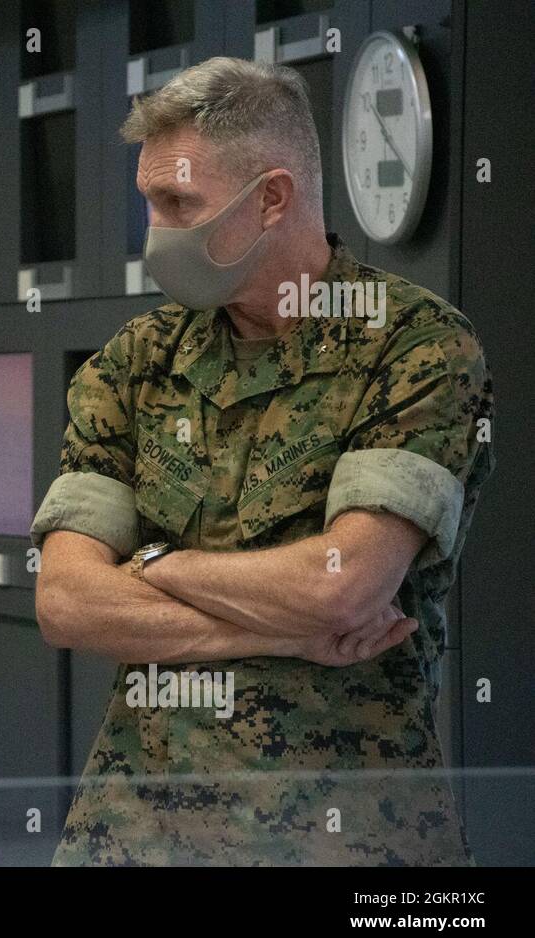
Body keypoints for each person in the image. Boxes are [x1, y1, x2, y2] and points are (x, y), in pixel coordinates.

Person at [32, 58, 494, 865]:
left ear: (272, 198)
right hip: (138, 833)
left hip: (345, 833)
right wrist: (289, 635)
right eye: (149, 202)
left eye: (179, 204)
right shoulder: (136, 361)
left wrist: (155, 564)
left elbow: (342, 587)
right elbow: (66, 602)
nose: (157, 232)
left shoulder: (416, 346)